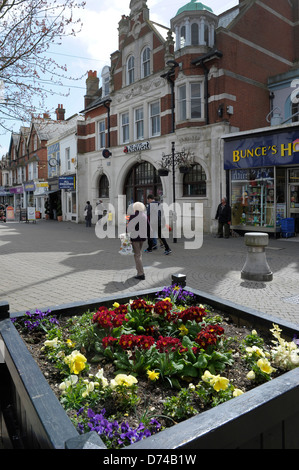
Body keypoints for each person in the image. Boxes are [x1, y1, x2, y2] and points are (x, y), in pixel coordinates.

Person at [127, 201, 149, 280]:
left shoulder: (133, 216)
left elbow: (129, 227)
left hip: (135, 238)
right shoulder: (144, 215)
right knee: (139, 254)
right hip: (142, 238)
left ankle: (140, 273)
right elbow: (148, 227)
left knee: (137, 255)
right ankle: (140, 272)